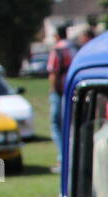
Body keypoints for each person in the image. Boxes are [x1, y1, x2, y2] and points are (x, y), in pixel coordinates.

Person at [47, 26, 74, 174]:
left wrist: (54, 91)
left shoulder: (57, 50)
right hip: (74, 91)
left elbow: (53, 73)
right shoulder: (74, 48)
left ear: (57, 36)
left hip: (60, 92)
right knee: (71, 127)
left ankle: (63, 159)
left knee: (57, 125)